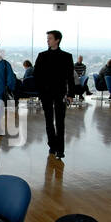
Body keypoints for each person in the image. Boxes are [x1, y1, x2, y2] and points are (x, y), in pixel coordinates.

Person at [34, 29, 75, 159]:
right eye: (47, 38)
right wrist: (40, 91)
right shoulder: (42, 55)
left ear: (57, 40)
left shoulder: (67, 56)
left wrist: (71, 94)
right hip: (46, 93)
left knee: (60, 121)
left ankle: (60, 149)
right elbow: (37, 75)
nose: (48, 40)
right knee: (48, 121)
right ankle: (52, 145)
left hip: (60, 93)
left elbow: (70, 77)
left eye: (50, 38)